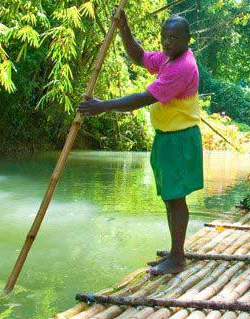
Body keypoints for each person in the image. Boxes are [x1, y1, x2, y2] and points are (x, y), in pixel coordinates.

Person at [78, 12, 200, 276]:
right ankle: (175, 251)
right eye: (164, 37)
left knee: (175, 197)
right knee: (170, 196)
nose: (167, 42)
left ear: (187, 39)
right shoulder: (169, 57)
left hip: (179, 138)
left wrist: (103, 107)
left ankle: (178, 258)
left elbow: (144, 99)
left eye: (174, 37)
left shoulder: (183, 67)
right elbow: (140, 57)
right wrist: (124, 28)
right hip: (168, 135)